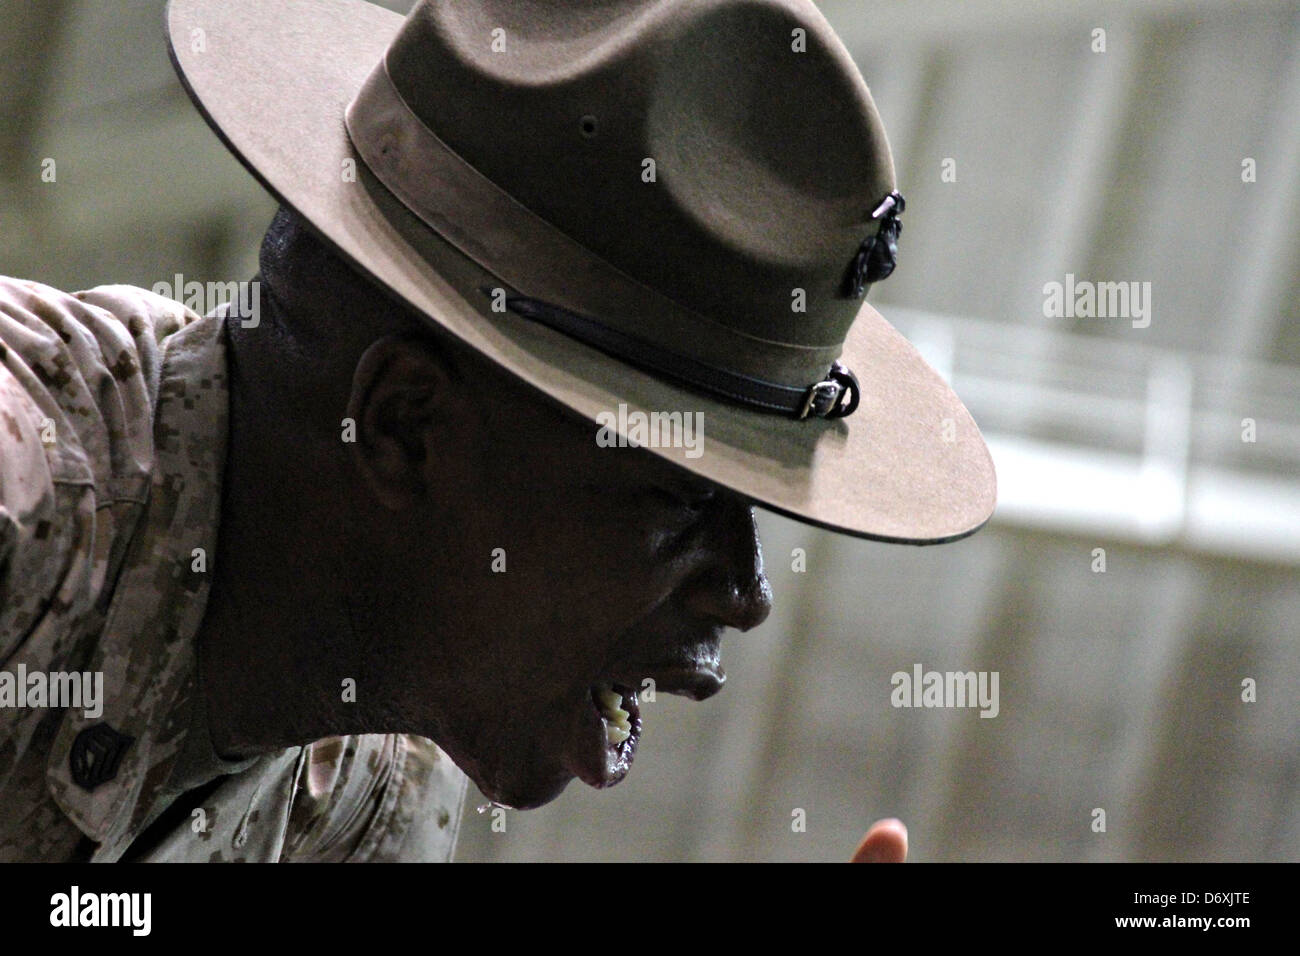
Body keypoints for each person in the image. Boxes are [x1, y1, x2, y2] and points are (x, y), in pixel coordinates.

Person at [0, 0, 994, 862]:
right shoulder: (26, 499)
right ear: (404, 426)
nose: (747, 594)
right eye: (685, 499)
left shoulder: (370, 802)